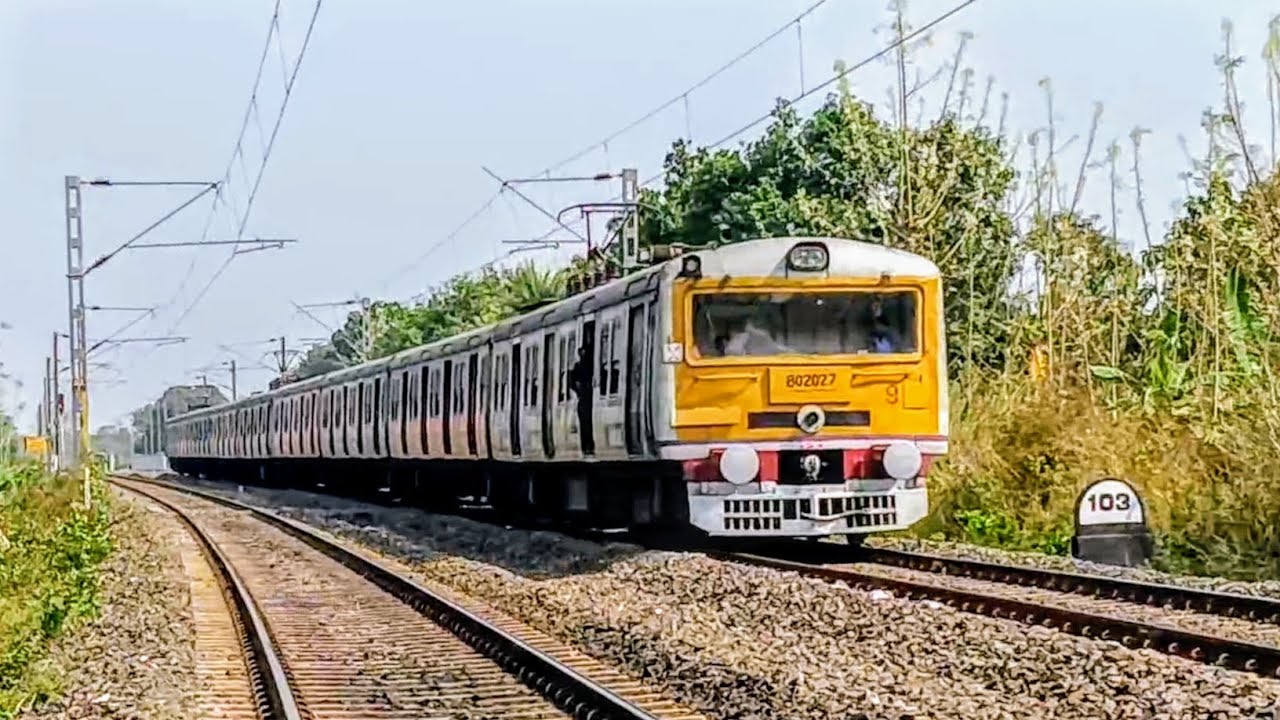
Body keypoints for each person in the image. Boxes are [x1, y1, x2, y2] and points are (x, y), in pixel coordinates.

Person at [568, 344, 595, 455]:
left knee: (586, 423)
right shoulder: (578, 366)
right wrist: (579, 391)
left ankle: (588, 445)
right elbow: (571, 382)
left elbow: (571, 381)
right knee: (584, 423)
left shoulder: (585, 366)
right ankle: (586, 446)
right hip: (584, 398)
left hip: (586, 397)